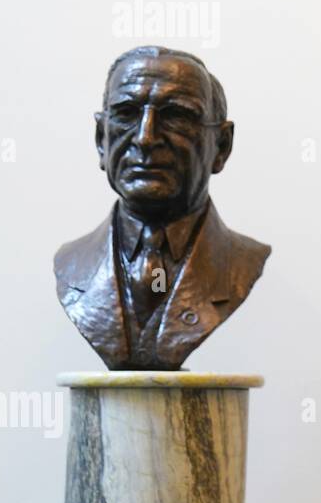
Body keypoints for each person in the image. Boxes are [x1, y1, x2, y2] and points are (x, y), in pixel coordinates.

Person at [54, 46, 270, 370]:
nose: (145, 138)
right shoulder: (71, 265)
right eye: (126, 114)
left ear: (221, 146)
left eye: (177, 116)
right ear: (102, 138)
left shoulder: (241, 263)